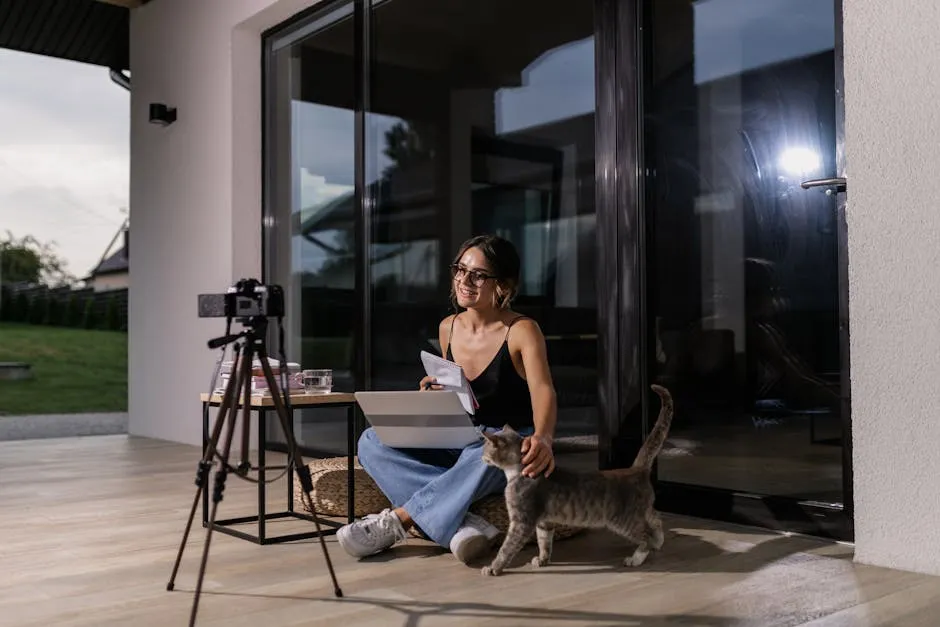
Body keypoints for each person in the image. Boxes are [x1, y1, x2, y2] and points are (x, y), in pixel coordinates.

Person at [336, 234, 558, 563]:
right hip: (462, 437)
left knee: (485, 452)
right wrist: (433, 395)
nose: (464, 281)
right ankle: (462, 527)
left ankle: (400, 521)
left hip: (505, 443)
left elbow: (544, 389)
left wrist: (544, 437)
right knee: (371, 441)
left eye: (478, 274)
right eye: (460, 269)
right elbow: (462, 395)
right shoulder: (448, 327)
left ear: (504, 284)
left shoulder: (523, 330)